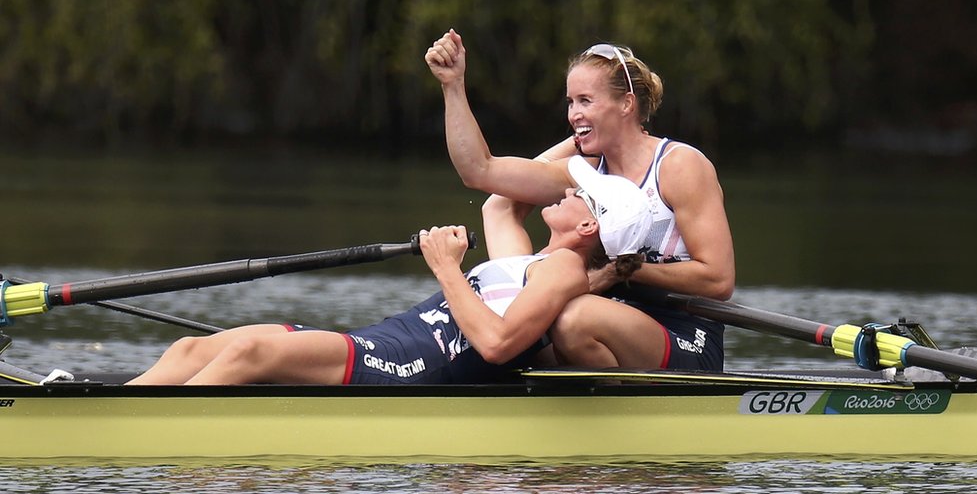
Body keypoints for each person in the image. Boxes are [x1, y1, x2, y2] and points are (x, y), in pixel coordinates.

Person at [126, 157, 652, 385]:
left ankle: (145, 436)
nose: (566, 188)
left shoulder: (563, 270)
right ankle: (113, 414)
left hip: (410, 366)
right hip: (384, 341)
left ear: (589, 226)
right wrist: (583, 139)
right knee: (192, 349)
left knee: (249, 351)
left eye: (581, 193)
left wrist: (446, 268)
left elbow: (496, 345)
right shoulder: (534, 259)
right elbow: (498, 199)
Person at [425, 29, 735, 372]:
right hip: (604, 318)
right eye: (571, 102)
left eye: (585, 101)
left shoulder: (679, 166)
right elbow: (480, 171)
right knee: (519, 337)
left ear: (626, 104)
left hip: (684, 332)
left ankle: (617, 403)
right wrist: (453, 85)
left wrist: (621, 271)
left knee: (572, 320)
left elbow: (718, 280)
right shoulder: (584, 173)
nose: (573, 113)